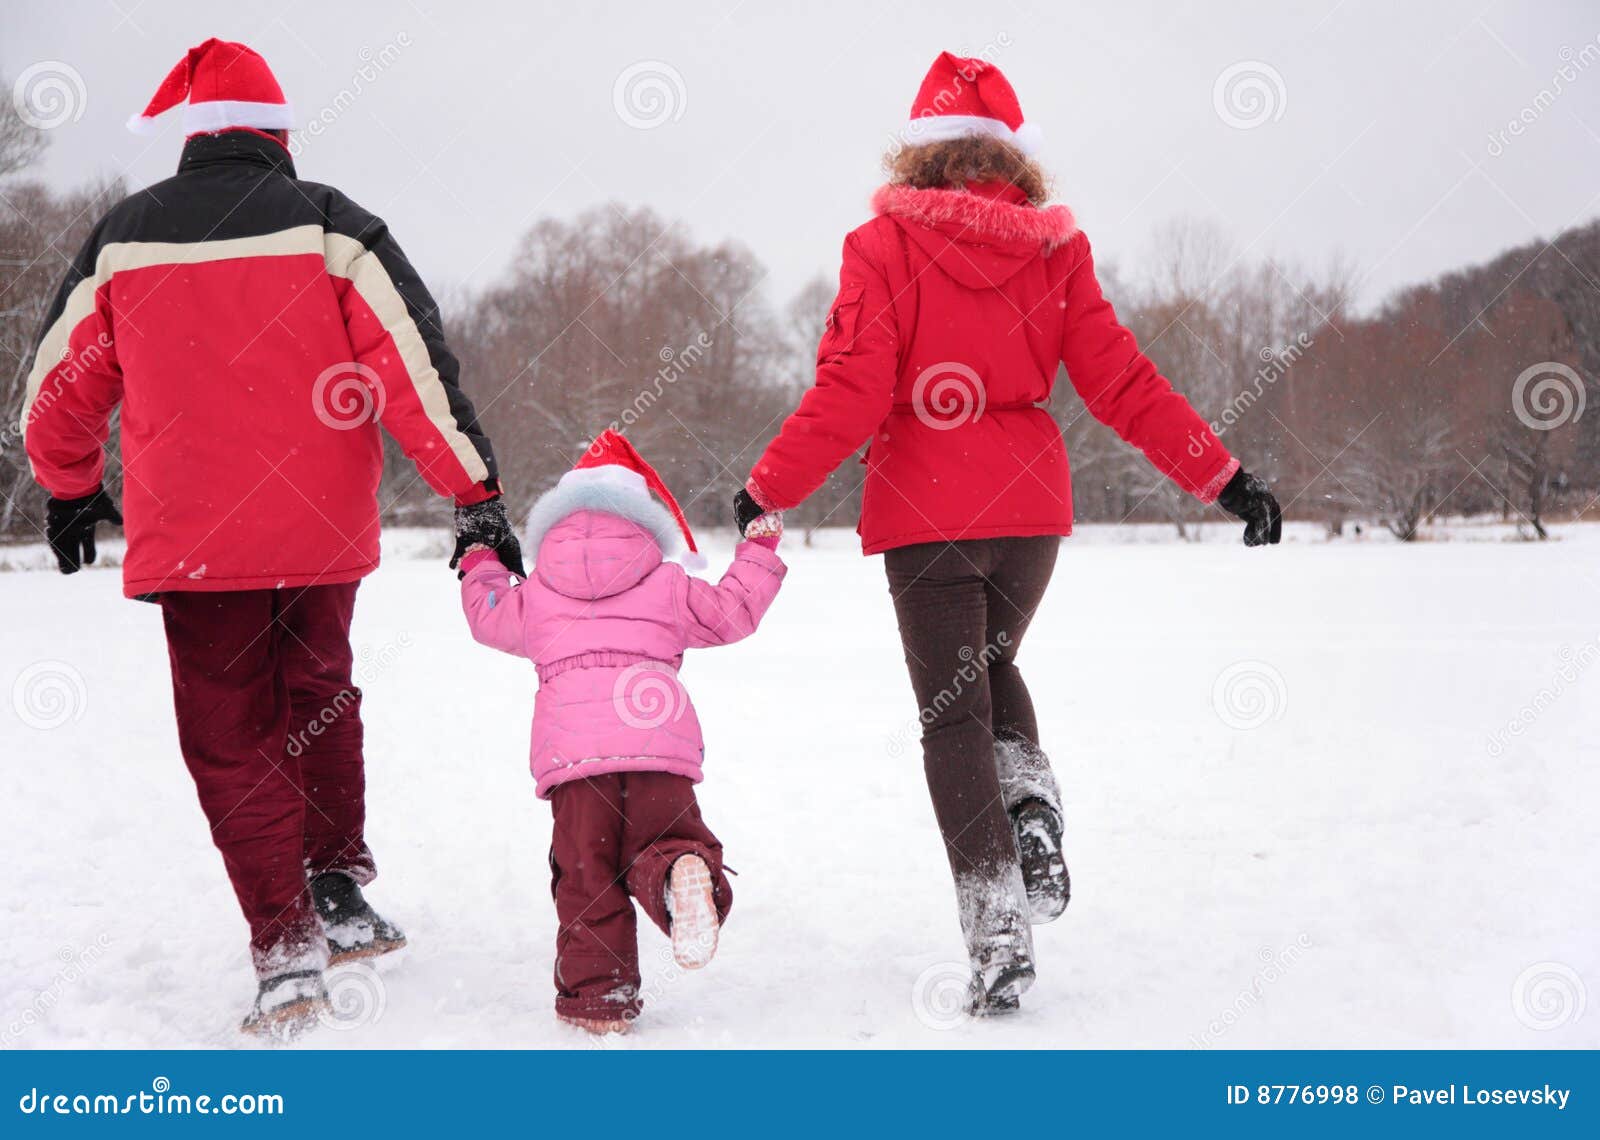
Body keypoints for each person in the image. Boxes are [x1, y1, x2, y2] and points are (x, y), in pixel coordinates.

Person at [733, 53, 1282, 1015]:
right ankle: (1027, 805)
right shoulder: (1054, 251)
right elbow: (1123, 382)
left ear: (921, 154)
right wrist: (1223, 476)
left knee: (953, 715)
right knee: (988, 671)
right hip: (1030, 516)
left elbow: (853, 389)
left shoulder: (883, 246)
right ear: (1014, 163)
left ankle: (995, 928)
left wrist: (767, 485)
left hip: (925, 514)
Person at [19, 39, 523, 1038]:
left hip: (197, 544)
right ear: (278, 135)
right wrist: (473, 492)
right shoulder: (332, 223)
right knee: (319, 699)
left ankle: (285, 945)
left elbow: (56, 390)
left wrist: (69, 486)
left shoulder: (126, 237)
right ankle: (337, 888)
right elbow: (412, 366)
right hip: (320, 533)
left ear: (191, 143)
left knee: (230, 737)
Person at [458, 430, 785, 1035]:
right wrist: (758, 547)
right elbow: (733, 612)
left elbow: (488, 618)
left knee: (585, 874)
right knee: (663, 836)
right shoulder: (666, 584)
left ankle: (599, 999)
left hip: (574, 763)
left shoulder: (539, 594)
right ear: (643, 523)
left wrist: (480, 558)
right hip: (658, 749)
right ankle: (677, 869)